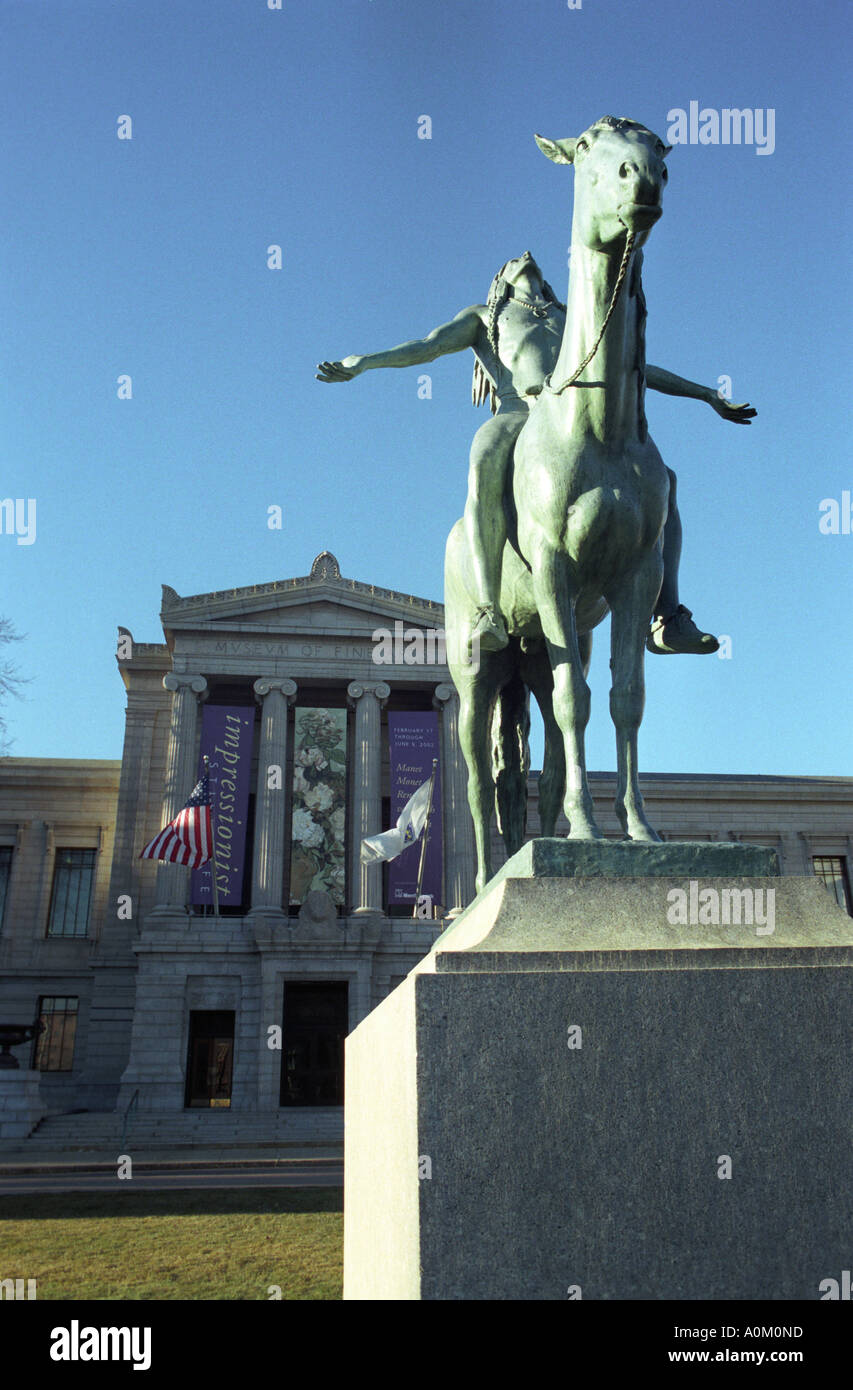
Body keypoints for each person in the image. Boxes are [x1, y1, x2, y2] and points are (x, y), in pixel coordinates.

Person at [317, 251, 755, 653]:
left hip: (571, 414)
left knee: (664, 480)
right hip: (517, 413)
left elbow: (632, 367)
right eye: (509, 261)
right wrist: (364, 361)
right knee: (484, 459)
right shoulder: (487, 317)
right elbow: (427, 346)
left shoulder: (572, 316)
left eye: (530, 258)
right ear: (500, 282)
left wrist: (706, 395)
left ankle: (667, 616)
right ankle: (488, 607)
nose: (523, 256)